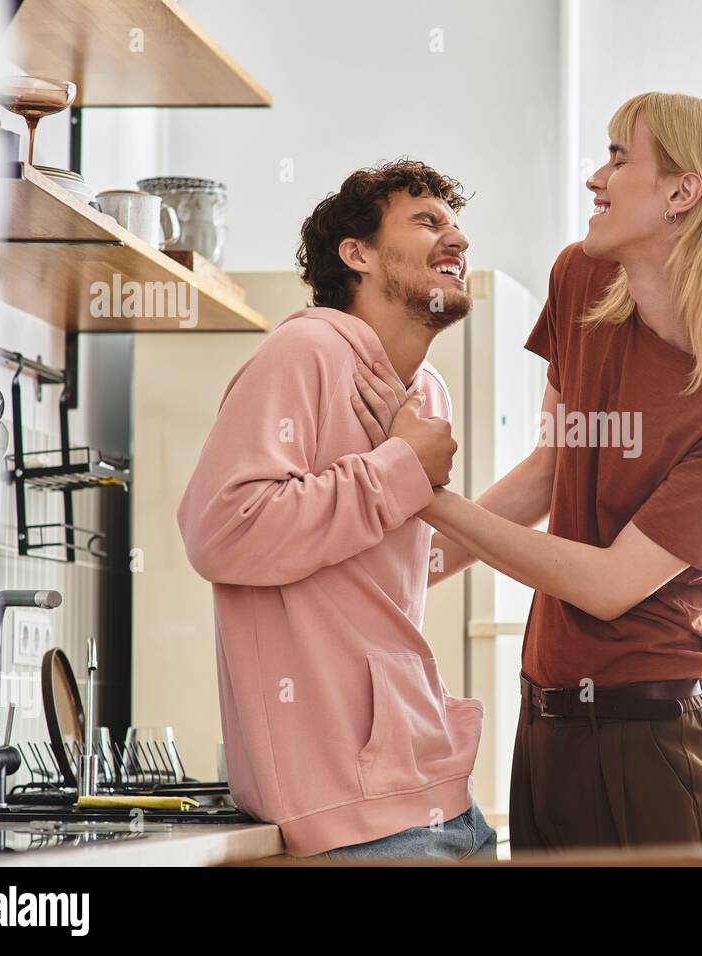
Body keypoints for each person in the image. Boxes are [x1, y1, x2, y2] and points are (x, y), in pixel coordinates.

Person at [354, 92, 702, 853]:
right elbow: (551, 470)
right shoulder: (583, 280)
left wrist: (419, 489)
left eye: (619, 159)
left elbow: (608, 583)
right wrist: (394, 576)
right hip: (544, 728)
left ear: (682, 193)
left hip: (659, 746)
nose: (596, 179)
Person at [177, 160, 496, 861]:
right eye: (427, 221)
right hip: (356, 819)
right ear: (357, 254)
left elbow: (374, 565)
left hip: (444, 798)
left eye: (456, 223)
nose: (457, 239)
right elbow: (221, 528)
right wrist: (401, 468)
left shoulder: (426, 394)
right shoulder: (306, 351)